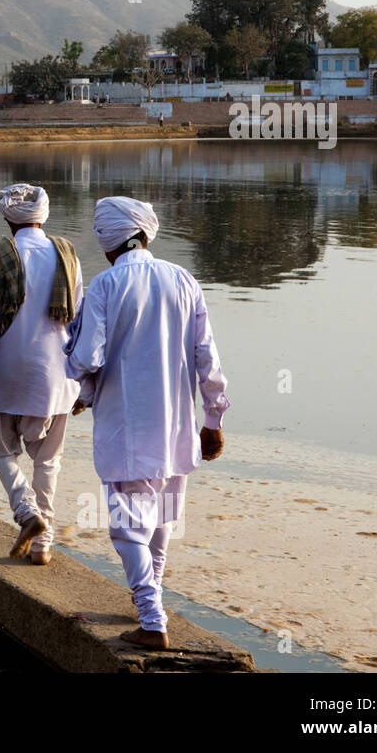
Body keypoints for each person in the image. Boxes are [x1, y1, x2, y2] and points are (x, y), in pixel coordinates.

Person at [64, 196, 230, 650]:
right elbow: (206, 358)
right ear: (145, 233)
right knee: (159, 522)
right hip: (176, 423)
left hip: (127, 423)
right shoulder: (183, 279)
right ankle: (148, 600)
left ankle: (152, 620)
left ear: (108, 241)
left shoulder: (104, 286)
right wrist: (212, 418)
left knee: (127, 526)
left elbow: (88, 357)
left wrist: (79, 384)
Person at [0, 184, 83, 566]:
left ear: (8, 220)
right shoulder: (67, 254)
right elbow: (82, 320)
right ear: (42, 217)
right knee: (48, 461)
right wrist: (84, 381)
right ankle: (43, 548)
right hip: (59, 376)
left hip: (6, 373)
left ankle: (28, 514)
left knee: (1, 451)